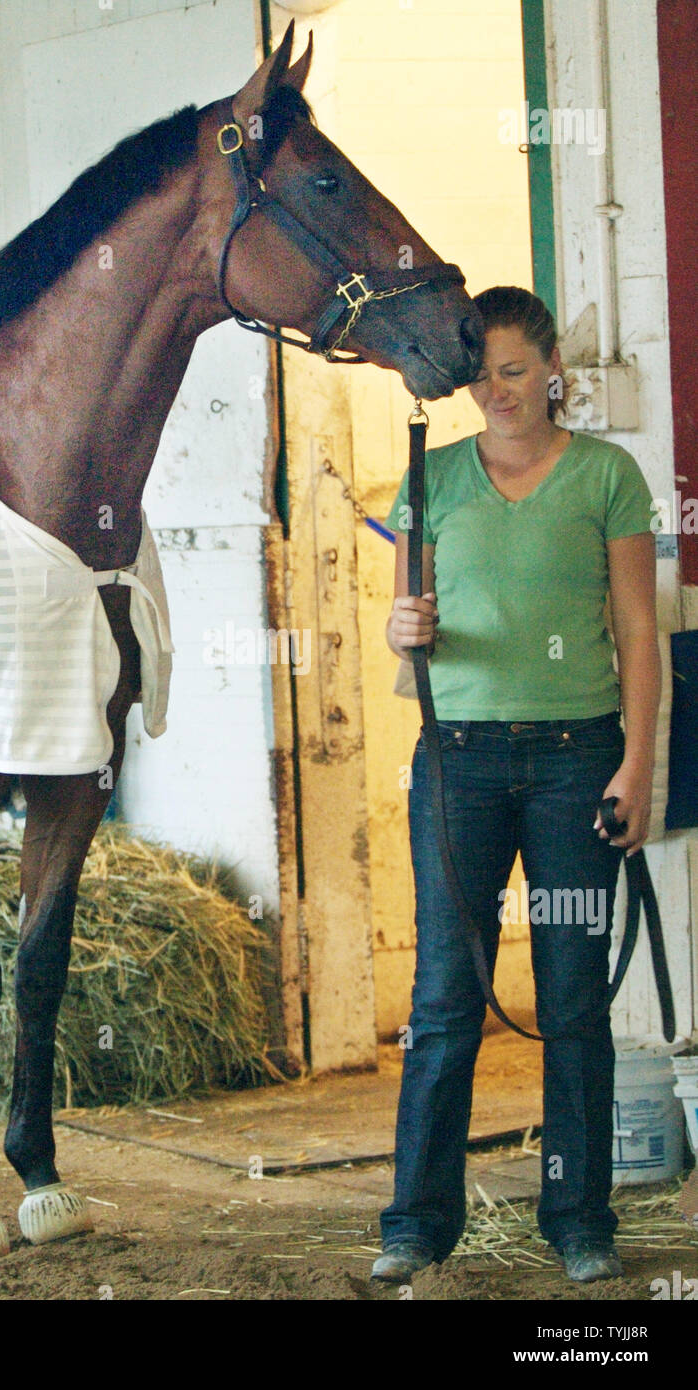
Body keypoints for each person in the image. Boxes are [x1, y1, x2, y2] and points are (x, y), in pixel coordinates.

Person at [373, 286, 660, 1285]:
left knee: (574, 997)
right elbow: (404, 627)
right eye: (479, 373)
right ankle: (414, 1220)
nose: (495, 390)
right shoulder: (429, 476)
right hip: (458, 758)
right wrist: (403, 629)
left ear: (549, 372)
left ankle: (578, 1216)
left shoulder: (607, 476)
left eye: (512, 369)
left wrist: (637, 763)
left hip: (579, 758)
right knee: (446, 995)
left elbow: (636, 629)